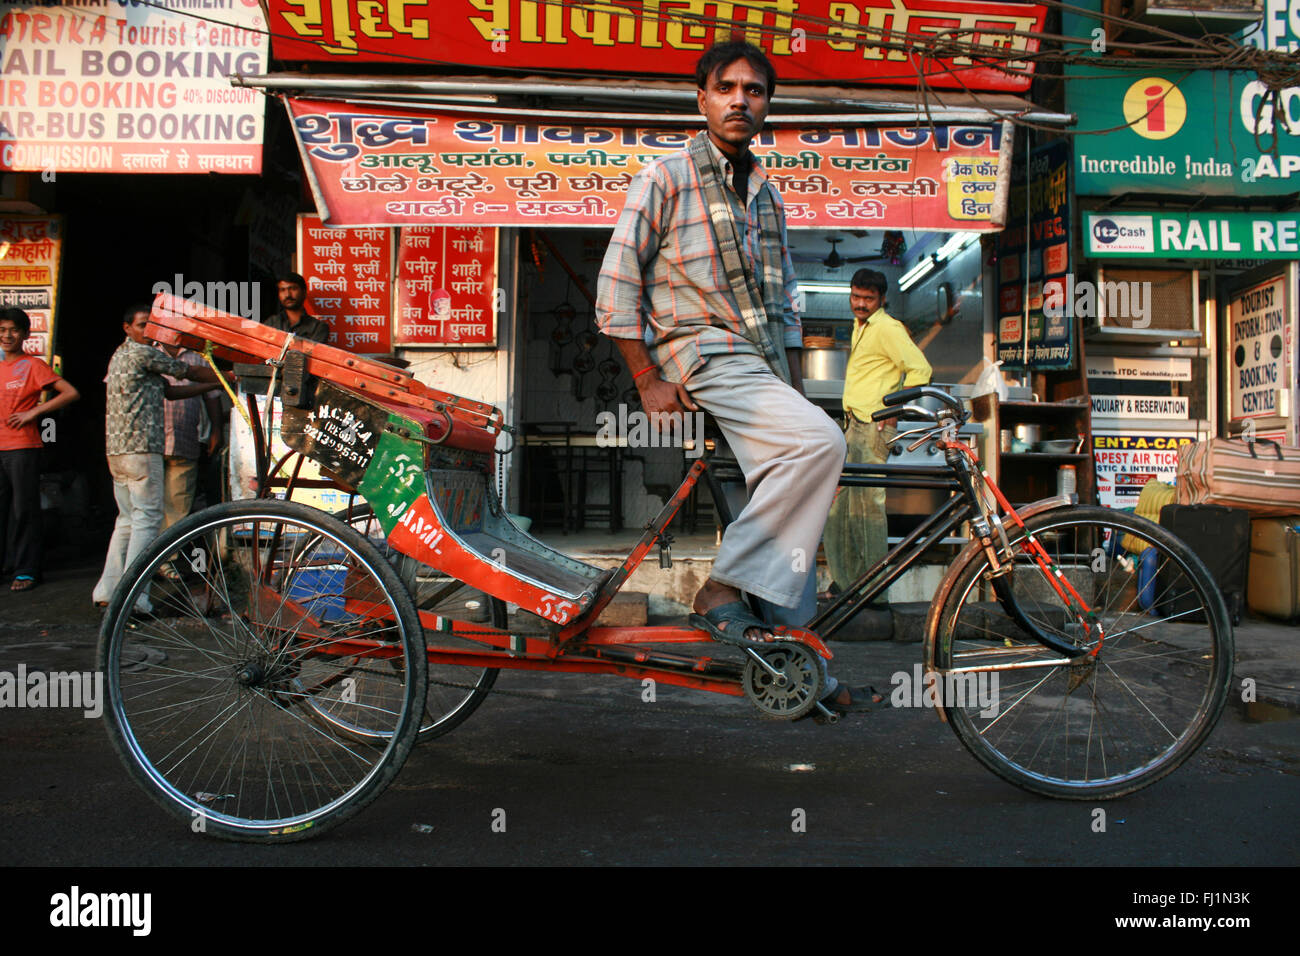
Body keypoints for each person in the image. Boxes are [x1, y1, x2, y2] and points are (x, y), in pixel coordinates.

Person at [597, 41, 872, 712]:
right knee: (821, 446)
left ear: (767, 105)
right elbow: (615, 285)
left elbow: (781, 307)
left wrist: (796, 396)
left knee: (795, 529)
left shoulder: (766, 196)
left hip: (759, 367)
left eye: (754, 90)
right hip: (703, 354)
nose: (740, 100)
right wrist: (646, 380)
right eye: (727, 88)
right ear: (702, 98)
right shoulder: (666, 177)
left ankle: (802, 678)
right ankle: (721, 588)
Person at [92, 306, 227, 613]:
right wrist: (227, 374)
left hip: (118, 450)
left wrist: (217, 383)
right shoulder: (143, 353)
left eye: (150, 326)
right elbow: (188, 372)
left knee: (127, 520)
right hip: (141, 448)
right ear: (127, 327)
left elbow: (170, 392)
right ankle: (135, 598)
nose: (147, 331)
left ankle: (108, 589)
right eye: (142, 325)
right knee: (147, 520)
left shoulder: (120, 356)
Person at [825, 269, 932, 594]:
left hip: (874, 427)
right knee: (840, 507)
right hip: (853, 425)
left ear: (881, 299)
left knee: (868, 507)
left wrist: (897, 411)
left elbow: (921, 369)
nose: (860, 304)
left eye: (868, 299)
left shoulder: (887, 327)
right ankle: (846, 583)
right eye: (856, 297)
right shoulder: (861, 326)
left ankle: (873, 590)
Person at [0, 308, 79, 592]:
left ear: (25, 334)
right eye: (2, 330)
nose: (7, 335)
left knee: (24, 511)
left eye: (13, 330)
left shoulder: (32, 366)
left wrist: (34, 412)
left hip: (22, 447)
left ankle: (26, 570)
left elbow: (70, 392)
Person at [158, 341, 222, 529]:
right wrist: (225, 378)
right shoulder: (147, 350)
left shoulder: (198, 355)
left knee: (178, 507)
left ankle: (169, 557)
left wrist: (216, 429)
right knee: (149, 507)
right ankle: (148, 556)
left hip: (185, 440)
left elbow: (212, 396)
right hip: (151, 442)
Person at [264, 272, 330, 343]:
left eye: (293, 289)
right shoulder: (271, 323)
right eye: (283, 290)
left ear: (304, 292)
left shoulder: (318, 327)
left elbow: (310, 352)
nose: (287, 295)